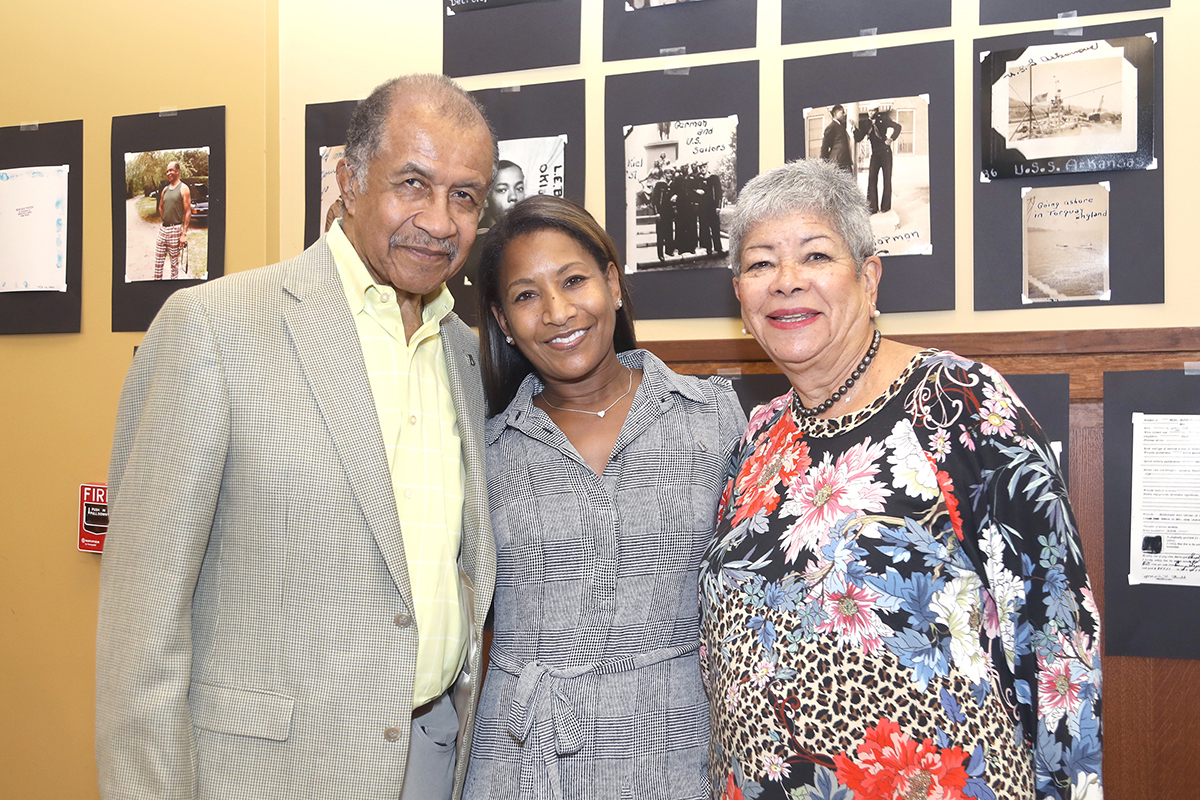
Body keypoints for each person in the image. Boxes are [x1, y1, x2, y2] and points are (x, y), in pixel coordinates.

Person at [96, 74, 499, 800]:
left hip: (434, 758)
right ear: (348, 182)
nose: (440, 222)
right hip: (265, 777)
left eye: (465, 196)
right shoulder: (214, 328)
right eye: (413, 184)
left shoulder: (463, 353)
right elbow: (141, 635)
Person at [701, 159, 1102, 800]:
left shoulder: (959, 402)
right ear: (741, 298)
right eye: (760, 264)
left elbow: (1058, 636)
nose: (786, 282)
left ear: (869, 277)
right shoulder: (758, 435)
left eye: (815, 256)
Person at [464, 195, 747, 799]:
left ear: (613, 284)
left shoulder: (713, 418)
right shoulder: (485, 450)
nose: (558, 312)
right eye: (526, 295)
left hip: (675, 747)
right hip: (522, 758)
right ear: (503, 321)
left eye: (573, 281)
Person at [855, 104, 902, 214]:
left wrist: (891, 139)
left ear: (876, 111)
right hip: (875, 155)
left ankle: (885, 207)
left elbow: (898, 127)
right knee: (872, 179)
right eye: (869, 111)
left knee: (886, 179)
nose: (870, 113)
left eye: (872, 111)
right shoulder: (866, 124)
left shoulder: (883, 119)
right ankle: (872, 207)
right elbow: (858, 138)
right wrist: (854, 129)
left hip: (885, 153)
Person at [154, 160, 191, 279]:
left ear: (178, 171)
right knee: (158, 263)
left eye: (171, 170)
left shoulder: (184, 188)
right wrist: (166, 219)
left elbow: (188, 212)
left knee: (174, 265)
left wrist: (184, 233)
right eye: (167, 171)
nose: (168, 173)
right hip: (163, 230)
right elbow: (160, 207)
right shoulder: (165, 189)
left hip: (175, 230)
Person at [479, 159, 525, 229]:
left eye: (519, 189)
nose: (513, 197)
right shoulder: (477, 238)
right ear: (485, 198)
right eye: (502, 190)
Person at [819, 104, 854, 173]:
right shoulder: (831, 127)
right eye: (842, 112)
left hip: (844, 161)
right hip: (838, 162)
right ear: (835, 114)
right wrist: (826, 161)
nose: (844, 114)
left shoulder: (840, 126)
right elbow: (825, 145)